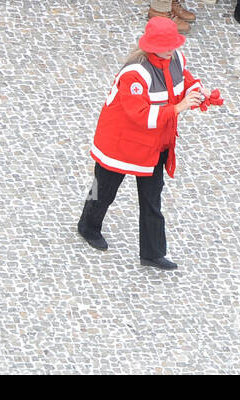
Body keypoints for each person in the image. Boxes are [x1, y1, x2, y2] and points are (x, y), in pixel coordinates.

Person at [77, 16, 215, 271]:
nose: (173, 49)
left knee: (152, 200)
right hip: (120, 144)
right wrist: (178, 108)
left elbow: (185, 79)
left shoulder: (175, 59)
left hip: (152, 146)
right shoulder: (135, 74)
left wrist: (198, 91)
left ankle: (152, 252)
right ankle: (87, 225)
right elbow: (141, 116)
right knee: (103, 190)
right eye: (168, 45)